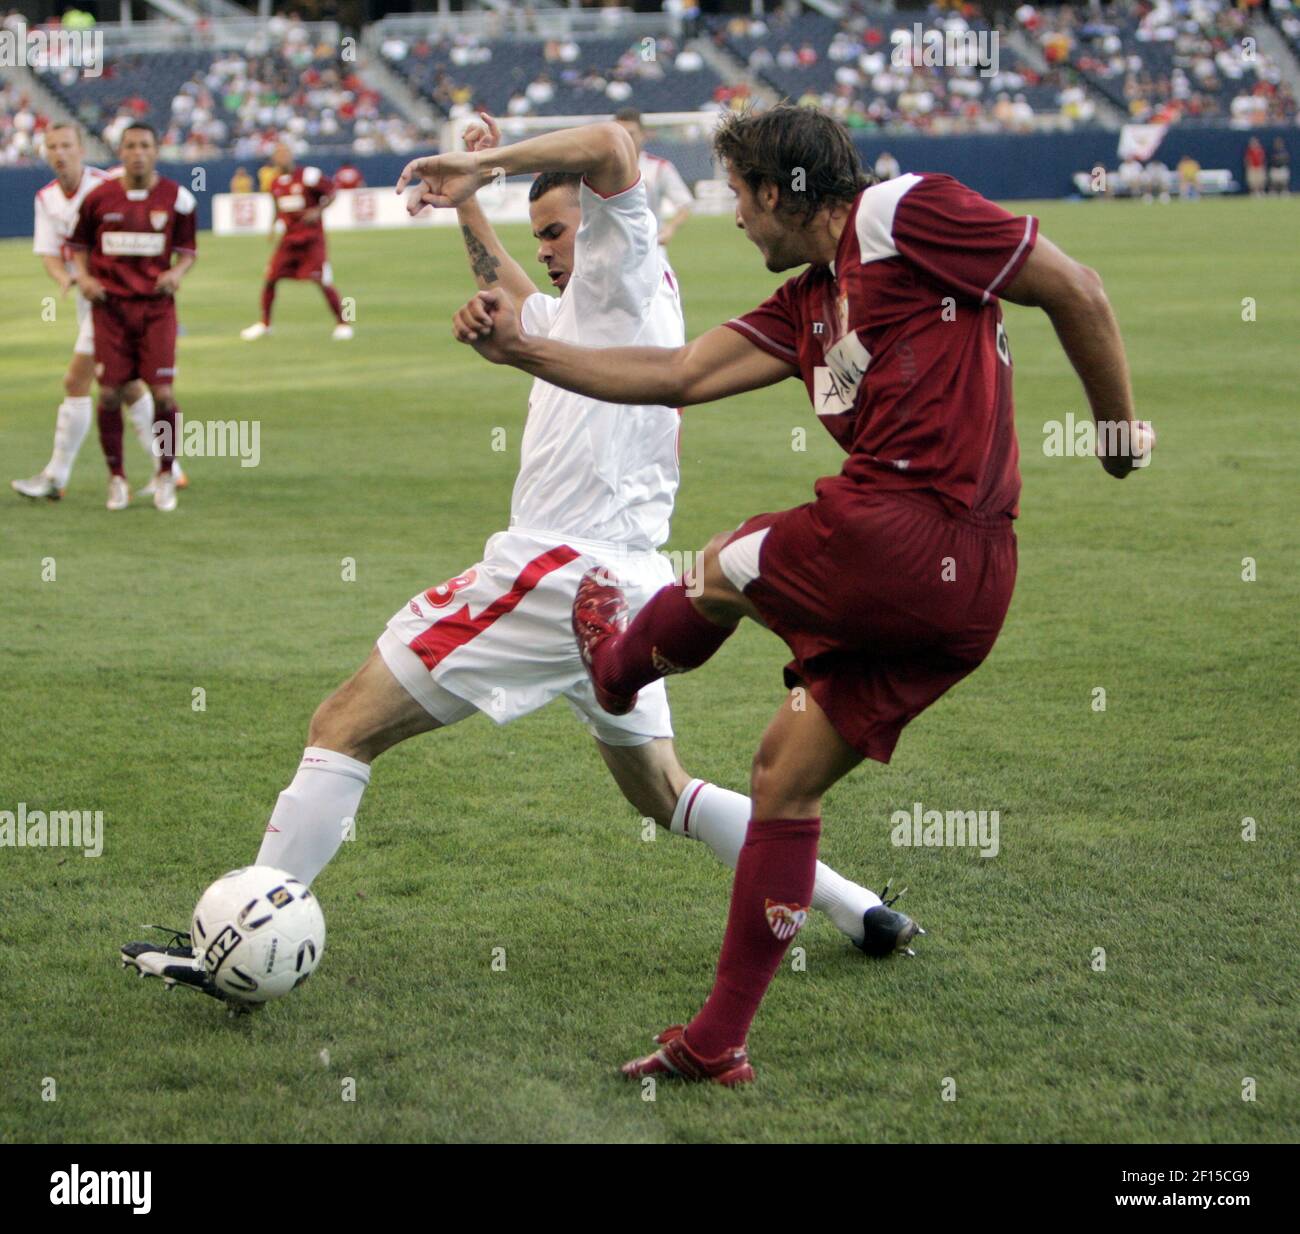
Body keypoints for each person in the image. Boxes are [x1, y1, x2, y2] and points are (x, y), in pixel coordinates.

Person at [120, 119, 904, 1003]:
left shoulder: (627, 258)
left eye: (561, 230)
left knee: (341, 724)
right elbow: (520, 295)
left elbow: (612, 140)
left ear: (603, 224)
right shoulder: (587, 305)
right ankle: (858, 907)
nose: (551, 251)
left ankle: (239, 939)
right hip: (623, 585)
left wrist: (485, 161)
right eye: (541, 238)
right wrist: (474, 211)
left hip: (557, 569)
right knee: (662, 793)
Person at [450, 104, 1155, 1085]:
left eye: (737, 195)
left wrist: (1116, 430)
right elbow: (677, 374)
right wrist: (524, 354)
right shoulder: (807, 304)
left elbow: (1074, 287)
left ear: (780, 192)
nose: (731, 216)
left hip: (920, 534)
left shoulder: (905, 215)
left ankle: (614, 664)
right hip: (951, 594)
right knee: (782, 776)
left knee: (728, 559)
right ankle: (717, 1042)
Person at [12, 123, 187, 502]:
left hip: (116, 300)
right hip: (89, 299)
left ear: (81, 149)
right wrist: (65, 278)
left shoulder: (106, 186)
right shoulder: (46, 199)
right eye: (53, 146)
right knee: (126, 386)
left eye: (67, 145)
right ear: (45, 153)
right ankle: (170, 468)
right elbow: (49, 251)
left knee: (77, 382)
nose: (60, 153)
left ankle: (56, 478)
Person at [68, 122, 197, 513]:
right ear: (120, 153)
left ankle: (165, 473)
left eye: (144, 145)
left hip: (156, 310)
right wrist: (85, 278)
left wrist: (176, 273)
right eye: (129, 146)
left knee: (163, 394)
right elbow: (77, 246)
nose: (137, 152)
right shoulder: (98, 199)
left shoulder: (178, 199)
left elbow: (188, 250)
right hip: (110, 310)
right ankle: (117, 478)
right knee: (108, 394)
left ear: (156, 150)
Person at [241, 142, 352, 342]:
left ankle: (343, 323)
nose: (281, 158)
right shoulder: (274, 182)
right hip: (289, 240)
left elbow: (332, 191)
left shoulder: (309, 175)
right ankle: (265, 324)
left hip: (311, 239)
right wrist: (272, 227)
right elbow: (276, 206)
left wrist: (318, 210)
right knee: (270, 278)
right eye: (277, 155)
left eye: (284, 154)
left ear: (291, 155)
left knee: (322, 280)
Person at [613, 108, 693, 265]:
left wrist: (670, 229)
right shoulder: (600, 170)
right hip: (612, 250)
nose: (625, 138)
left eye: (631, 133)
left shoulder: (659, 167)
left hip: (650, 248)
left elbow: (685, 204)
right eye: (620, 133)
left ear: (643, 135)